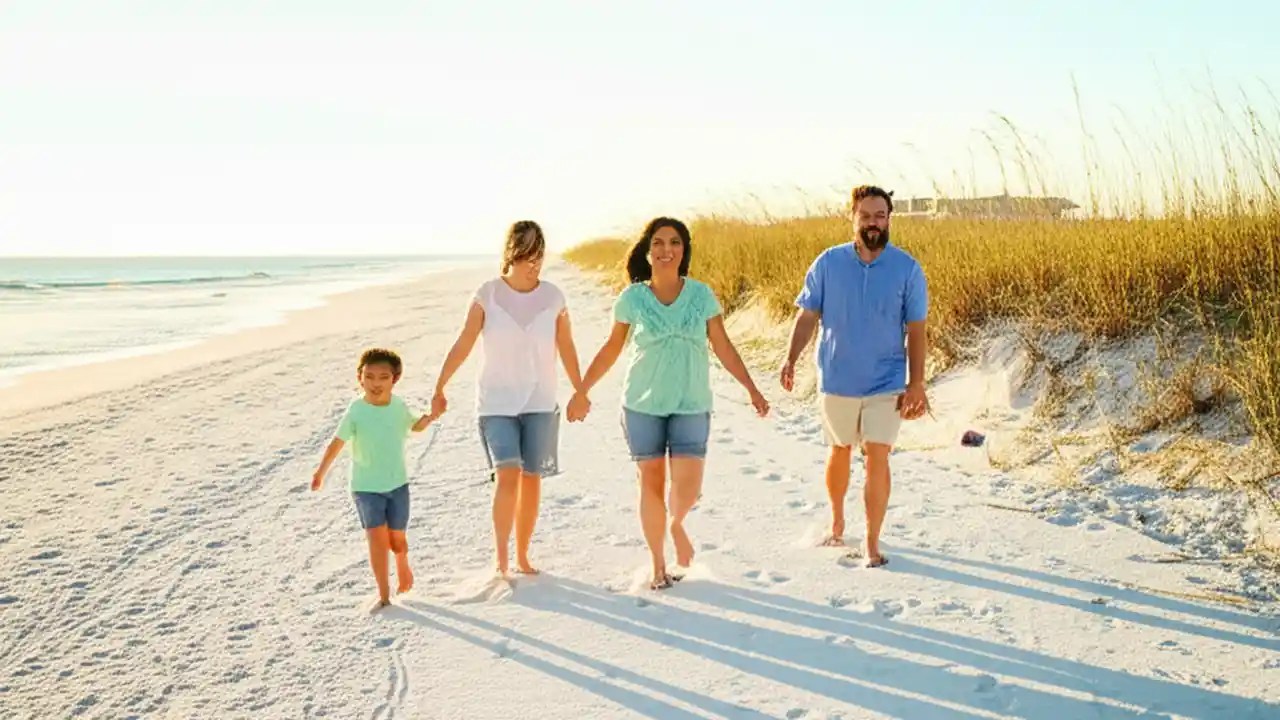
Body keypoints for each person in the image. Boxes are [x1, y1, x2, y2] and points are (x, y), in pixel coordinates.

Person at [573, 217, 769, 591]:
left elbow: (723, 346)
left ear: (684, 250)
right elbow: (612, 348)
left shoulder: (701, 295)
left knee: (689, 486)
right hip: (641, 404)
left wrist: (751, 389)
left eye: (674, 243)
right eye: (659, 243)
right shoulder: (633, 298)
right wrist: (583, 389)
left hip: (691, 402)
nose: (666, 250)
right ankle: (658, 564)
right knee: (650, 481)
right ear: (647, 252)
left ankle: (677, 524)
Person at [780, 184, 930, 568]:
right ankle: (836, 520)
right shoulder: (828, 263)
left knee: (878, 455)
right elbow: (807, 315)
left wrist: (916, 383)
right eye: (866, 216)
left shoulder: (907, 269)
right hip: (838, 378)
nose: (874, 223)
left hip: (887, 382)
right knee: (840, 451)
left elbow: (916, 329)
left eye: (880, 216)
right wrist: (790, 358)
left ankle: (872, 541)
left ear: (889, 219)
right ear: (853, 218)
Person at [432, 220, 586, 578]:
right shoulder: (487, 294)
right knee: (508, 474)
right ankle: (500, 558)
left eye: (538, 253)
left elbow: (566, 346)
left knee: (531, 478)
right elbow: (465, 341)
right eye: (525, 253)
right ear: (510, 252)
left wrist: (580, 389)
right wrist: (440, 386)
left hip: (540, 401)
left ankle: (522, 555)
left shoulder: (553, 296)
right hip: (496, 403)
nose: (533, 261)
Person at [311, 348, 436, 611]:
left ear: (394, 379)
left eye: (383, 377)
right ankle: (384, 594)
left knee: (396, 539)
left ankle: (402, 562)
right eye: (369, 377)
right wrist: (321, 472)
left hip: (398, 485)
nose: (375, 384)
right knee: (376, 538)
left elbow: (414, 426)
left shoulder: (399, 406)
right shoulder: (356, 410)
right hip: (366, 488)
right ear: (360, 378)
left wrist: (431, 415)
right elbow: (337, 442)